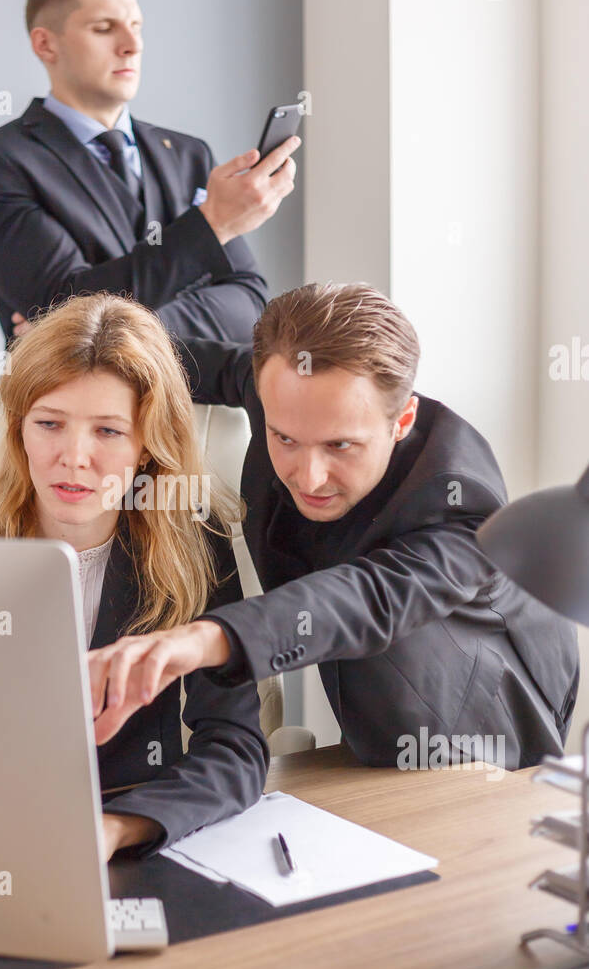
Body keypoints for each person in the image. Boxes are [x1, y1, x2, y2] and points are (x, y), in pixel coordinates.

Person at [87, 282, 580, 771]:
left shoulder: (460, 503)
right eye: (285, 439)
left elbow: (367, 596)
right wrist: (82, 353)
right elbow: (171, 359)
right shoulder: (289, 391)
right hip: (365, 741)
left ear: (402, 418)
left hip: (480, 743)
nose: (310, 476)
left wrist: (200, 639)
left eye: (340, 446)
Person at [0, 292, 268, 859]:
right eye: (50, 423)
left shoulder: (198, 544)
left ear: (147, 445)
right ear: (20, 430)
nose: (74, 457)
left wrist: (117, 828)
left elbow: (236, 746)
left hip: (128, 844)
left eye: (107, 432)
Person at [0, 0, 299, 345]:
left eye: (136, 26)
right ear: (46, 45)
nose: (132, 45)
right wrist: (213, 223)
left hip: (203, 404)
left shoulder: (188, 155)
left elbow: (248, 309)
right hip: (77, 406)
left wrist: (103, 325)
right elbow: (65, 310)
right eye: (104, 28)